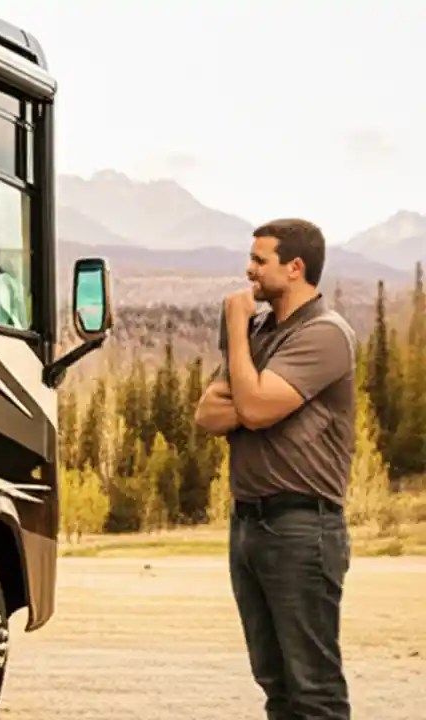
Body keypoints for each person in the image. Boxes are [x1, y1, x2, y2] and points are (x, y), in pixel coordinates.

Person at [195, 218, 356, 719]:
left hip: (302, 526)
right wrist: (251, 394)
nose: (249, 271)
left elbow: (257, 408)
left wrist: (236, 334)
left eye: (259, 260)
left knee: (313, 688)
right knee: (275, 682)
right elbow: (208, 415)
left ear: (295, 267)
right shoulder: (263, 333)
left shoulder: (325, 334)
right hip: (248, 524)